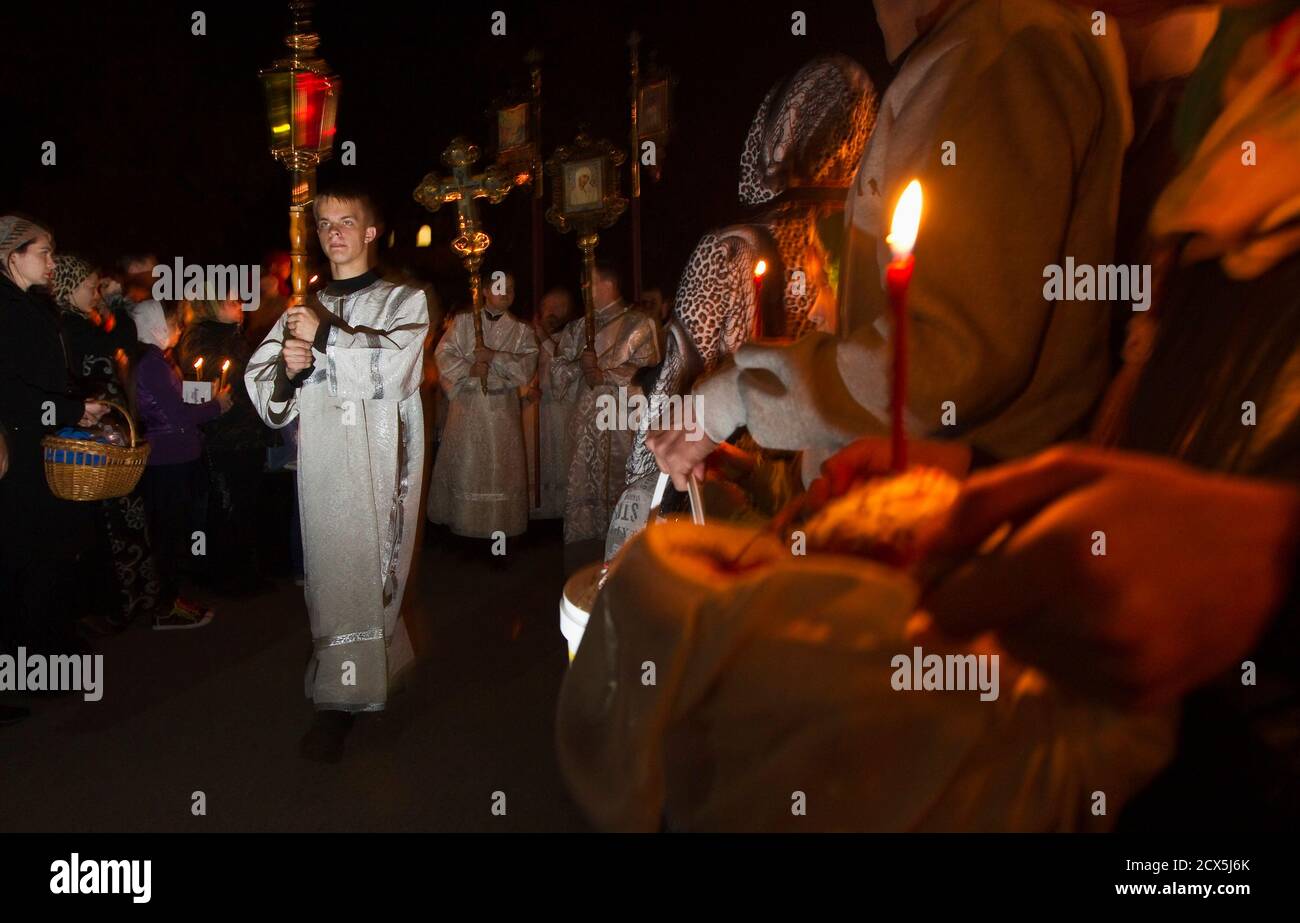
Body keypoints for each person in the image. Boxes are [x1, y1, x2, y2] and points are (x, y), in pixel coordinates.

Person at [650, 0, 1134, 489]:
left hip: (961, 526)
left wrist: (732, 400)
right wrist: (765, 472)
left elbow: (945, 357)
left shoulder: (996, 56)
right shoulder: (969, 51)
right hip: (928, 503)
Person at [246, 182, 430, 763]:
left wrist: (323, 336)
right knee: (331, 569)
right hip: (325, 459)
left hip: (382, 457)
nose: (334, 233)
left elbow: (398, 368)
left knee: (377, 567)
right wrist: (290, 371)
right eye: (324, 224)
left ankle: (374, 672)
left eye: (346, 221)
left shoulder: (405, 299)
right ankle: (338, 699)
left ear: (370, 231)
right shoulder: (304, 306)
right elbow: (265, 391)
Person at [0, 216, 108, 666]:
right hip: (18, 446)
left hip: (35, 438)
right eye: (42, 252)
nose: (51, 261)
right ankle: (26, 657)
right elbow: (10, 387)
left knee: (45, 548)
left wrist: (79, 399)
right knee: (24, 552)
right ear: (12, 257)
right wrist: (71, 410)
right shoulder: (6, 307)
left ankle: (46, 642)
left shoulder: (29, 303)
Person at [50, 254, 157, 630]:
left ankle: (124, 598)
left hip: (106, 428)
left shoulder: (78, 322)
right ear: (68, 288)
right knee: (108, 519)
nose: (94, 293)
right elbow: (124, 337)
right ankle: (113, 601)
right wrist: (116, 301)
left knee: (118, 514)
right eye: (88, 286)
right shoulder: (69, 325)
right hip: (92, 433)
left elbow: (124, 338)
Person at [129, 299, 231, 629]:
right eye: (173, 323)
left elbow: (173, 406)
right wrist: (216, 405)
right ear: (157, 326)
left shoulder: (157, 359)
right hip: (168, 460)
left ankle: (172, 597)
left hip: (174, 457)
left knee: (173, 530)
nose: (179, 329)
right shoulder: (152, 363)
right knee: (169, 533)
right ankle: (167, 606)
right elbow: (177, 416)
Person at [551, 262, 659, 563]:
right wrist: (578, 368)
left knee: (623, 488)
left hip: (621, 421)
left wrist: (605, 374)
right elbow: (557, 371)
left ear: (609, 284)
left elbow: (650, 369)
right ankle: (584, 560)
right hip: (584, 427)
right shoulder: (575, 328)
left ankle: (630, 557)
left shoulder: (639, 323)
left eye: (591, 283)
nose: (585, 289)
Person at [427, 271, 538, 539]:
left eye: (511, 288)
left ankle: (499, 525)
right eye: (500, 286)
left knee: (499, 468)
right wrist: (469, 369)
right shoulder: (464, 323)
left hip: (502, 412)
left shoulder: (522, 330)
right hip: (468, 407)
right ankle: (464, 523)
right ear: (485, 290)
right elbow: (443, 354)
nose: (507, 293)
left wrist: (494, 357)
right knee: (468, 464)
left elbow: (526, 366)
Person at [178, 294, 269, 595]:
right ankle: (227, 574)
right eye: (230, 301)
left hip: (247, 434)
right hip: (224, 438)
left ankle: (245, 569)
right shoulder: (202, 340)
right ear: (211, 306)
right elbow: (200, 389)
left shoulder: (236, 337)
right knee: (227, 505)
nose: (240, 306)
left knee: (246, 505)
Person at [523, 286, 577, 520]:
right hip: (535, 408)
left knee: (559, 457)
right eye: (549, 308)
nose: (553, 314)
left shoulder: (572, 337)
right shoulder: (528, 337)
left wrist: (544, 338)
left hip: (561, 410)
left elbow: (564, 365)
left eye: (559, 308)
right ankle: (537, 512)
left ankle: (561, 511)